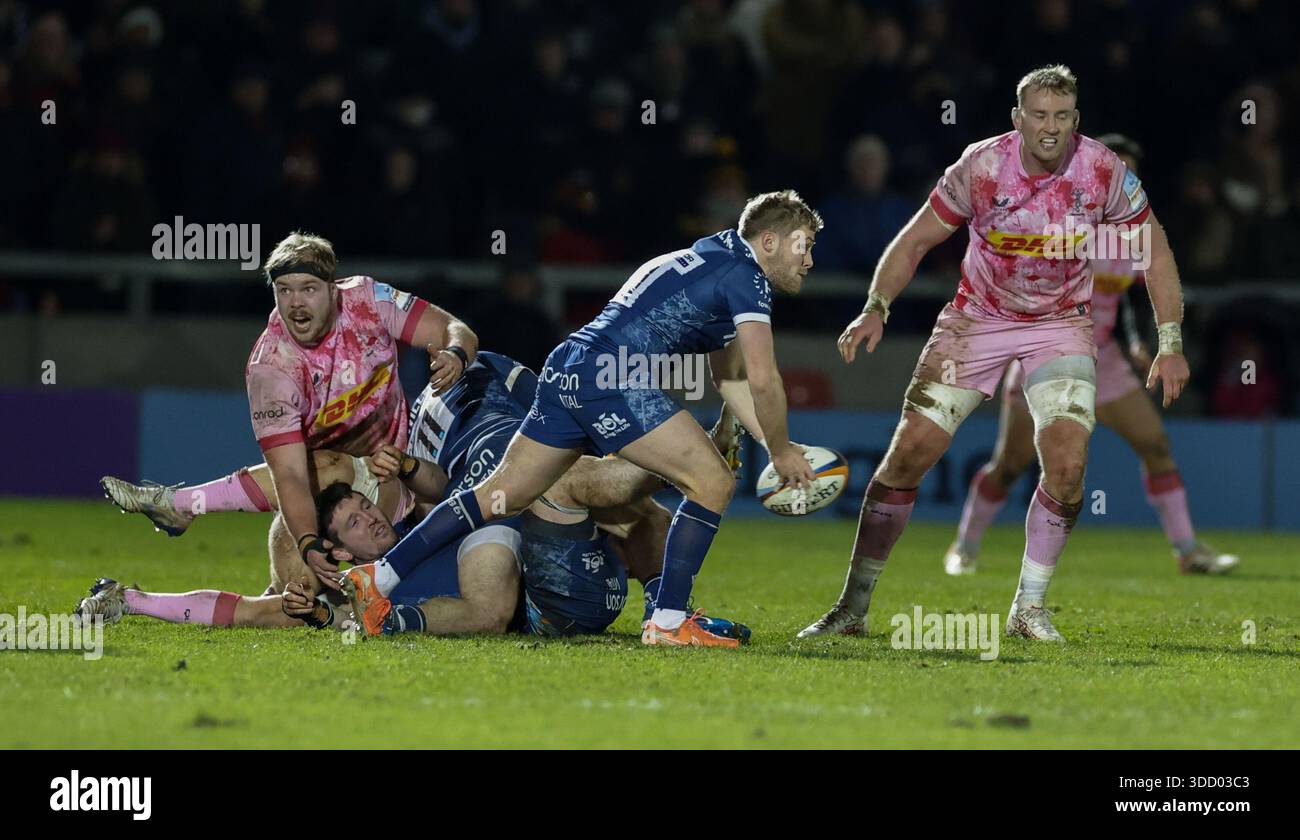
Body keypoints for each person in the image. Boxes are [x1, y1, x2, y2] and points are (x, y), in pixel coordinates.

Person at [800, 65, 1190, 643]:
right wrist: (876, 306)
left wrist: (1171, 341)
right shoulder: (981, 166)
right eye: (1039, 115)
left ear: (1076, 119)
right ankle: (851, 607)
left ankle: (1028, 608)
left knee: (1067, 463)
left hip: (1061, 325)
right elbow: (915, 240)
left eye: (1062, 116)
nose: (1050, 128)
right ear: (1018, 118)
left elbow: (1153, 249)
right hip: (976, 321)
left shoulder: (1104, 171)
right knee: (908, 456)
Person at [341, 190, 823, 648]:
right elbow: (764, 379)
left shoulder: (713, 259)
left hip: (569, 364)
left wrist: (766, 438)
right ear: (769, 241)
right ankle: (669, 620)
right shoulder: (749, 276)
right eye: (804, 245)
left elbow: (732, 381)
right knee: (712, 483)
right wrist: (780, 451)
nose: (809, 260)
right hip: (612, 376)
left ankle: (376, 577)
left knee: (497, 495)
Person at [100, 231, 477, 591]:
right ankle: (134, 598)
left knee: (464, 563)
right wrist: (310, 542)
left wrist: (456, 354)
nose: (296, 303)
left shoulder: (367, 301)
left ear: (333, 290)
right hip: (340, 502)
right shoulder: (272, 369)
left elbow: (454, 329)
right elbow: (292, 476)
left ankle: (180, 506)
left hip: (409, 467)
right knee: (297, 586)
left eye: (308, 289)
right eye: (284, 291)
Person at [943, 134, 1237, 576]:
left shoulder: (1135, 234)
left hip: (1103, 359)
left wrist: (1141, 342)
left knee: (1155, 444)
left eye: (1129, 172)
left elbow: (1136, 298)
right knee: (1009, 465)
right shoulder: (1055, 220)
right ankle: (964, 546)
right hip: (1043, 356)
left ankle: (1188, 550)